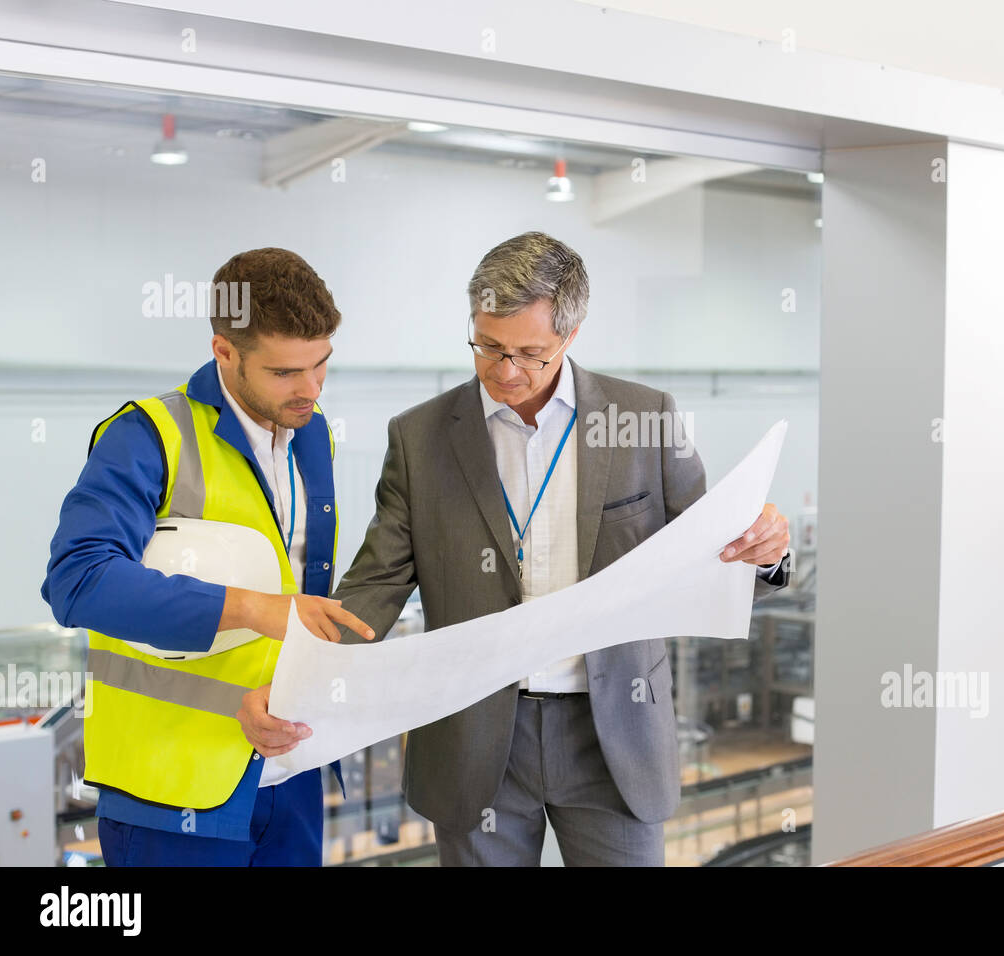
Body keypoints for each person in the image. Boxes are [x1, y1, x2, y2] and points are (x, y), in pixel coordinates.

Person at [302, 231, 791, 865]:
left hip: (613, 733)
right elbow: (377, 584)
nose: (505, 372)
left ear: (570, 335)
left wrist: (766, 550)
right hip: (474, 737)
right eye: (488, 346)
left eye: (530, 353)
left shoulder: (644, 419)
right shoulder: (421, 438)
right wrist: (303, 678)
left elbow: (712, 552)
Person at [41, 247, 374, 866]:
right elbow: (76, 580)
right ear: (225, 351)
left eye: (321, 364)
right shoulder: (147, 436)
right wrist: (251, 608)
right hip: (170, 793)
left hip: (291, 774)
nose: (310, 391)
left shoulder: (313, 435)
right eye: (284, 373)